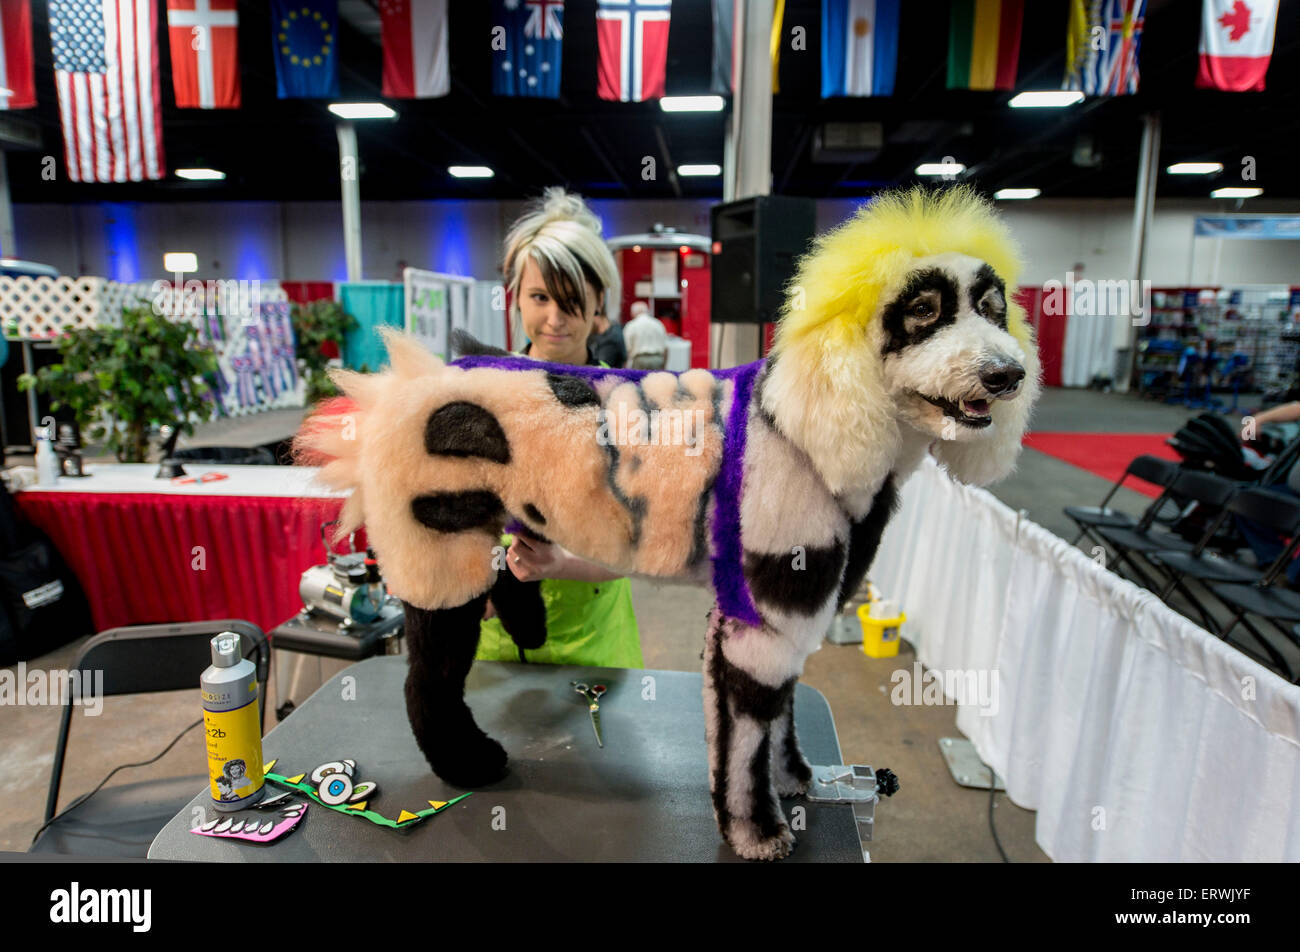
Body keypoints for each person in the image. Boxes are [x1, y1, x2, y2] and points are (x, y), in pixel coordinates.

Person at [475, 189, 644, 667]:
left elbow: (642, 544)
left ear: (597, 306)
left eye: (571, 301)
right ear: (517, 297)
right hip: (497, 643)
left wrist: (563, 565)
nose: (553, 318)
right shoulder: (484, 392)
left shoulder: (626, 404)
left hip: (594, 646)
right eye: (539, 297)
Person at [622, 300, 669, 369]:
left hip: (639, 360)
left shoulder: (631, 325)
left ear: (633, 313)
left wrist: (625, 366)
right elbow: (666, 348)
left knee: (640, 379)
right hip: (657, 360)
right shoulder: (658, 324)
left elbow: (627, 348)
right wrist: (664, 366)